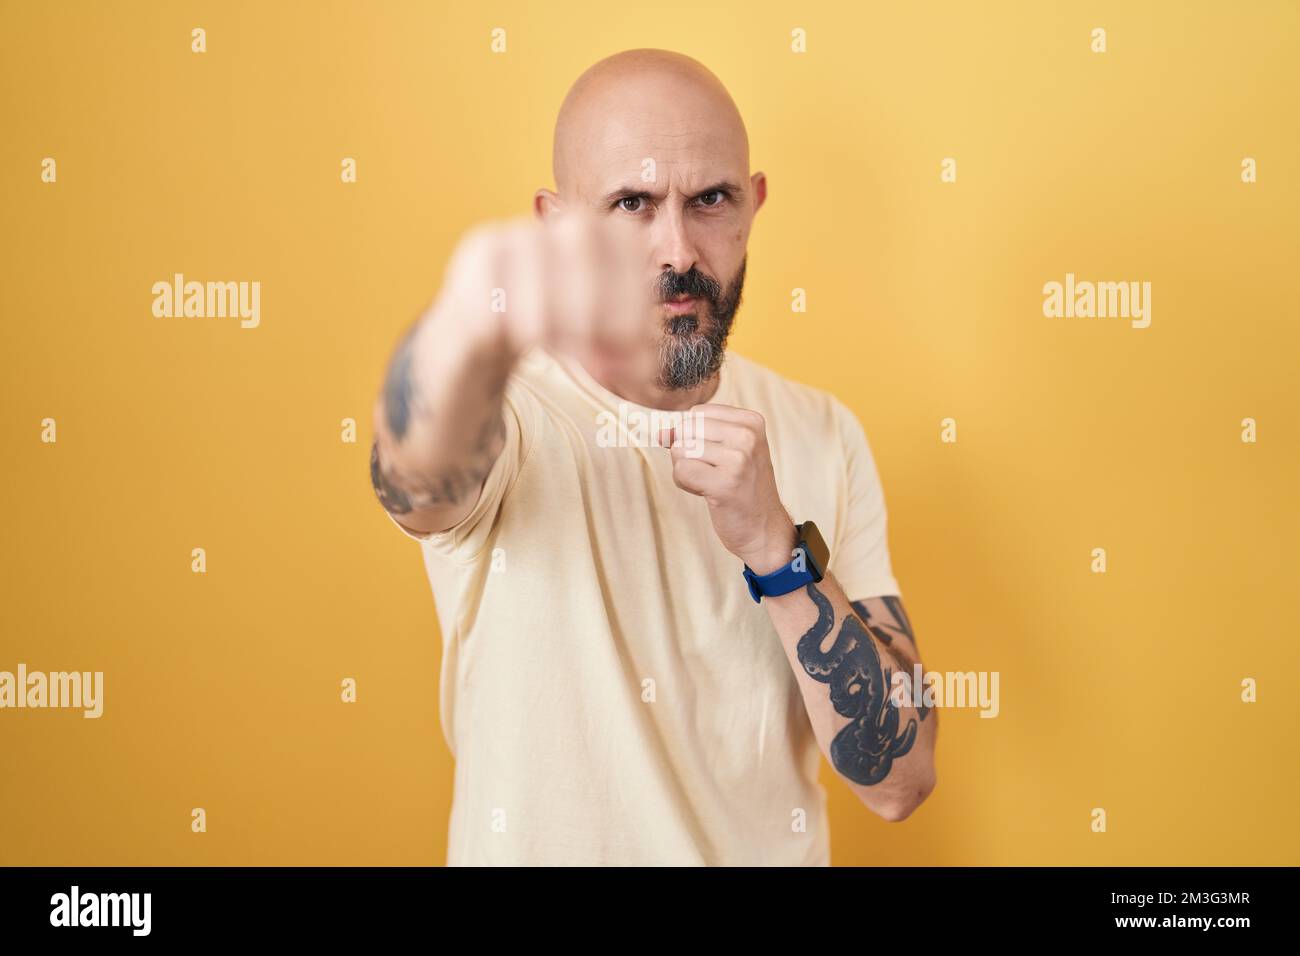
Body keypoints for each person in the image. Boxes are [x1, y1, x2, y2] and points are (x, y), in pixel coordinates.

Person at [369, 48, 936, 865]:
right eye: (633, 203)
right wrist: (463, 328)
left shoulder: (822, 431)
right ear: (559, 226)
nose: (678, 251)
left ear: (755, 204)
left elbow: (901, 783)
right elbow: (415, 480)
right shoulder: (512, 416)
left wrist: (777, 550)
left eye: (710, 200)